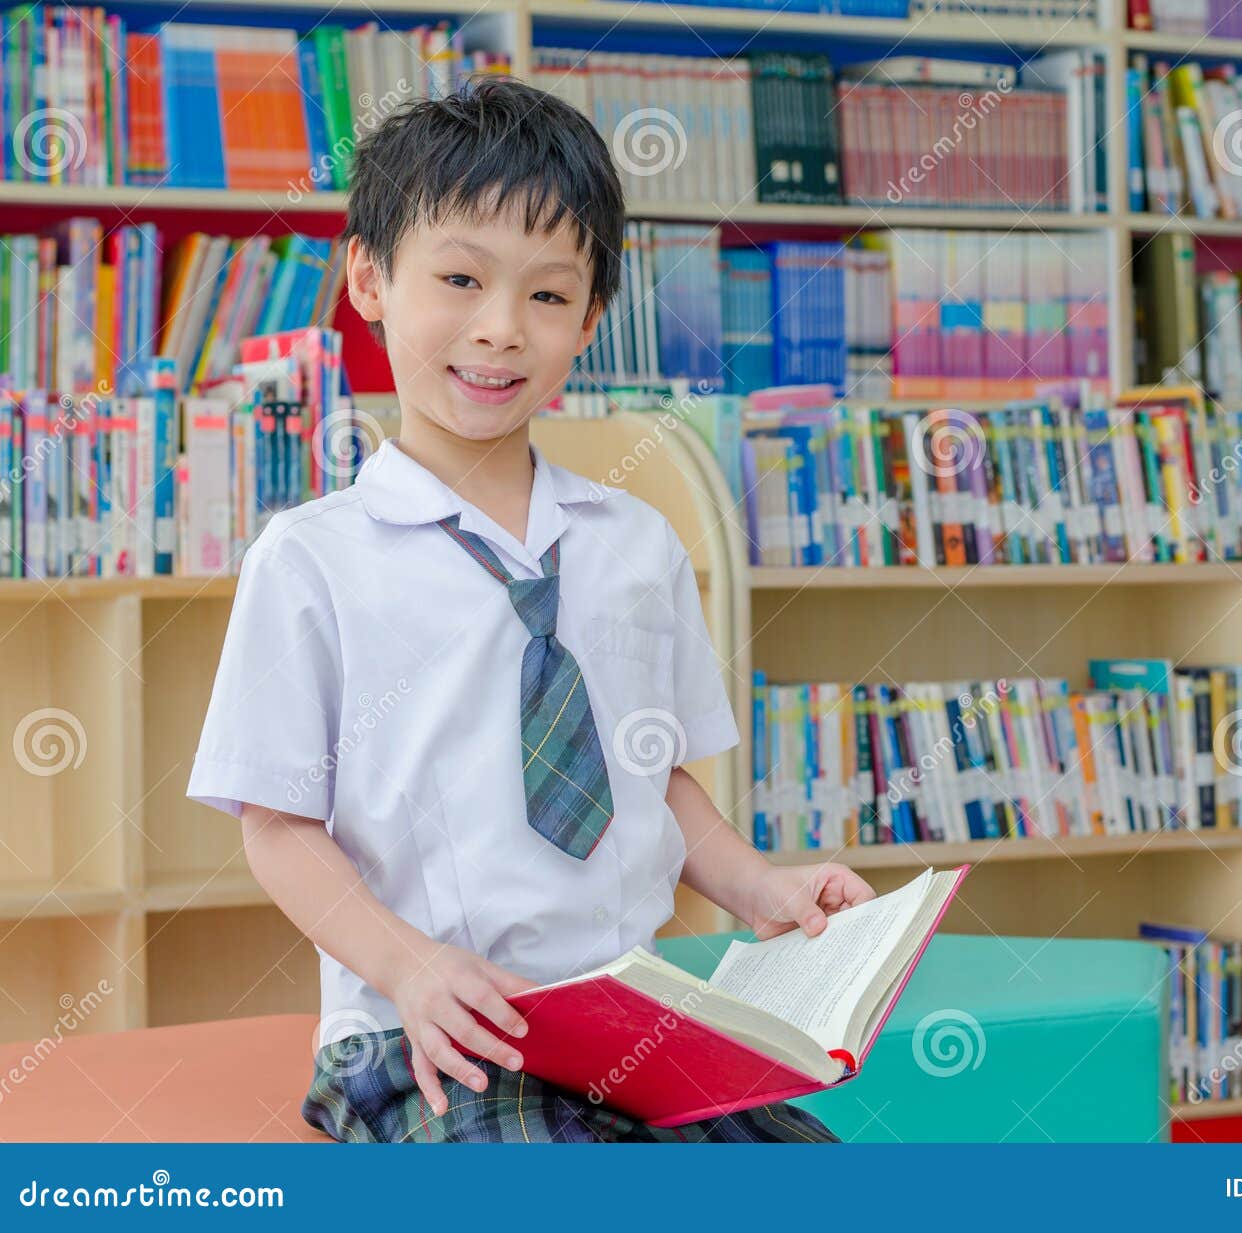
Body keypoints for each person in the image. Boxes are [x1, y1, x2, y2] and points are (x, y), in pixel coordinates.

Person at [187, 76, 873, 1143]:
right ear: (369, 280)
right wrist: (408, 970)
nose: (501, 330)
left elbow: (658, 776)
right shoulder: (313, 560)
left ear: (591, 317)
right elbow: (276, 826)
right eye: (460, 279)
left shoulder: (635, 543)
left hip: (634, 1018)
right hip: (428, 1031)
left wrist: (754, 887)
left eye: (548, 297)